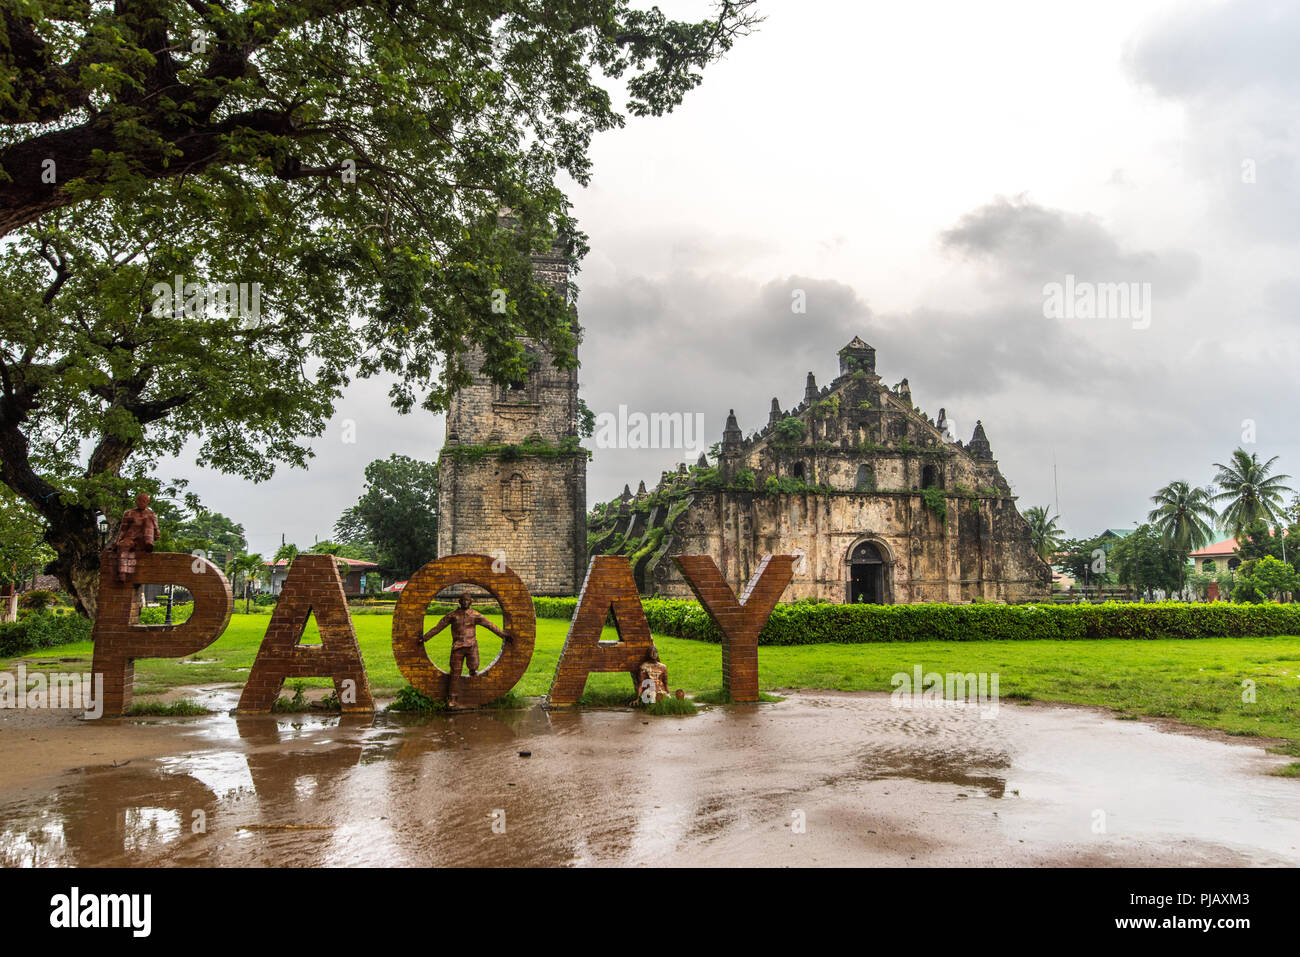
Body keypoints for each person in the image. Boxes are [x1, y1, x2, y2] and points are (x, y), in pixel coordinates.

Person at [420, 594, 514, 708]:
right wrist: (425, 638)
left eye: (467, 600)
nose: (465, 602)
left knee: (474, 666)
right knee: (455, 673)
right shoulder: (453, 615)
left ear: (470, 602)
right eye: (463, 600)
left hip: (471, 647)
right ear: (459, 601)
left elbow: (490, 625)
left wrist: (503, 635)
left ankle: (472, 676)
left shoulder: (475, 615)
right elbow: (438, 627)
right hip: (457, 648)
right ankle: (452, 698)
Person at [110, 492, 159, 583]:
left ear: (148, 503)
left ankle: (148, 543)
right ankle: (122, 573)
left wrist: (153, 536)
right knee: (123, 546)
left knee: (148, 520)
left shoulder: (151, 514)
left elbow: (156, 532)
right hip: (131, 538)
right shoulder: (129, 513)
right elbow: (123, 530)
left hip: (144, 539)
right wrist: (117, 542)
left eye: (144, 501)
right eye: (140, 500)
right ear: (136, 501)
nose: (142, 503)